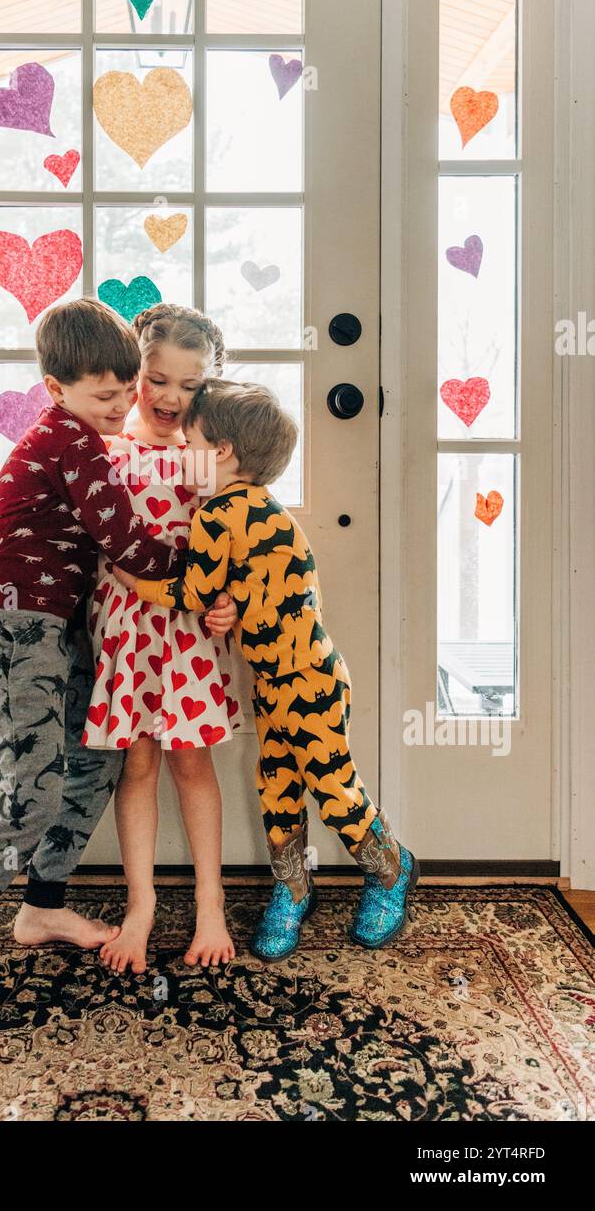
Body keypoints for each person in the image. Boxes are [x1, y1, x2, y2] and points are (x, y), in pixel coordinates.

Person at [0, 298, 235, 1022]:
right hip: (13, 625)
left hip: (61, 630)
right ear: (56, 390)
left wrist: (225, 586)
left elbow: (211, 519)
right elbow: (131, 545)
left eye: (128, 390)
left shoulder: (113, 439)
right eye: (110, 394)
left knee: (94, 763)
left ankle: (43, 908)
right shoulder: (72, 443)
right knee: (30, 793)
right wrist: (202, 579)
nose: (125, 405)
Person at [113, 377, 420, 962]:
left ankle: (389, 869)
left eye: (191, 441)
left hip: (308, 682)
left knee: (332, 789)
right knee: (276, 784)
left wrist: (134, 580)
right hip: (281, 683)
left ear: (221, 452)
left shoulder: (220, 515)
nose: (183, 451)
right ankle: (292, 887)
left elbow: (193, 591)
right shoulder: (254, 509)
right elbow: (236, 591)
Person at [83, 304, 254, 974]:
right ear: (134, 375)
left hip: (184, 638)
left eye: (189, 385)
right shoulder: (108, 451)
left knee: (191, 763)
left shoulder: (205, 461)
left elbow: (236, 546)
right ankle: (141, 905)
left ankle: (210, 904)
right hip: (127, 634)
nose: (171, 398)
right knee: (140, 763)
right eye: (157, 380)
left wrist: (229, 602)